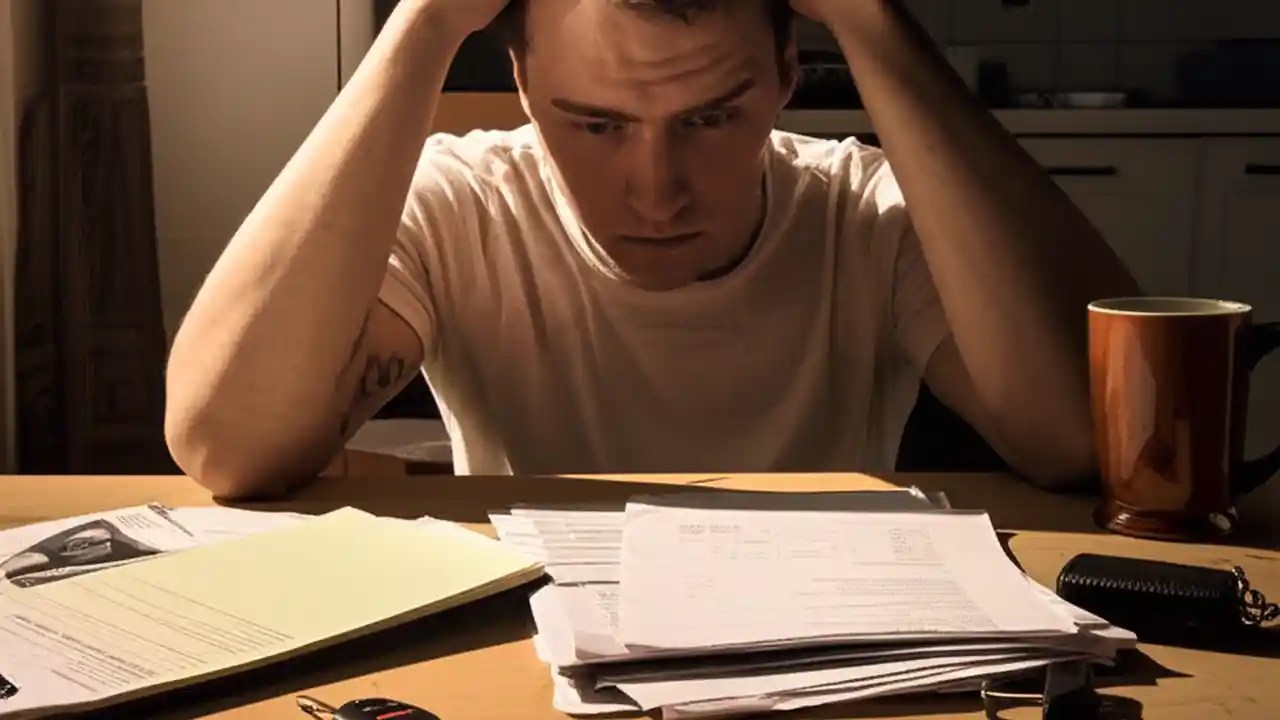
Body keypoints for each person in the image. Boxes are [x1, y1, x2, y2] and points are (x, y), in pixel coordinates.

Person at [163, 0, 1140, 500]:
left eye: (709, 118)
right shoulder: (462, 203)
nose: (657, 192)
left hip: (821, 664)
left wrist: (868, 17)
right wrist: (424, 22)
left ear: (786, 74)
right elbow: (227, 449)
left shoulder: (865, 212)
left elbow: (1087, 443)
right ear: (521, 83)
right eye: (595, 124)